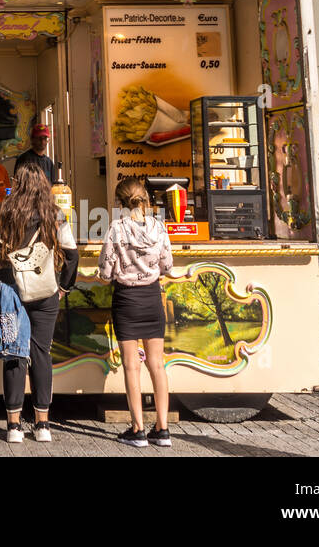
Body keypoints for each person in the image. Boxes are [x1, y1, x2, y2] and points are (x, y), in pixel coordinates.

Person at [0, 161, 78, 443]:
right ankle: (43, 425)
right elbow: (72, 254)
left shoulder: (2, 211)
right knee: (41, 354)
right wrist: (63, 287)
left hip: (10, 291)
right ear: (44, 185)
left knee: (15, 354)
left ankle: (14, 426)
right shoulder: (54, 213)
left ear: (16, 183)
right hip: (46, 292)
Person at [99, 177, 174, 448]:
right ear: (145, 199)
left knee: (132, 366)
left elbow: (106, 273)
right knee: (157, 364)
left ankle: (138, 429)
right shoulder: (159, 227)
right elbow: (167, 265)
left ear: (119, 202)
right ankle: (163, 429)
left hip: (127, 300)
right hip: (152, 298)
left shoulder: (116, 230)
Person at [13, 123, 59, 188]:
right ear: (32, 139)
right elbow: (17, 184)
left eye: (45, 138)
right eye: (39, 138)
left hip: (46, 197)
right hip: (28, 197)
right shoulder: (23, 159)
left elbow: (52, 186)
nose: (42, 142)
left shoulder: (49, 162)